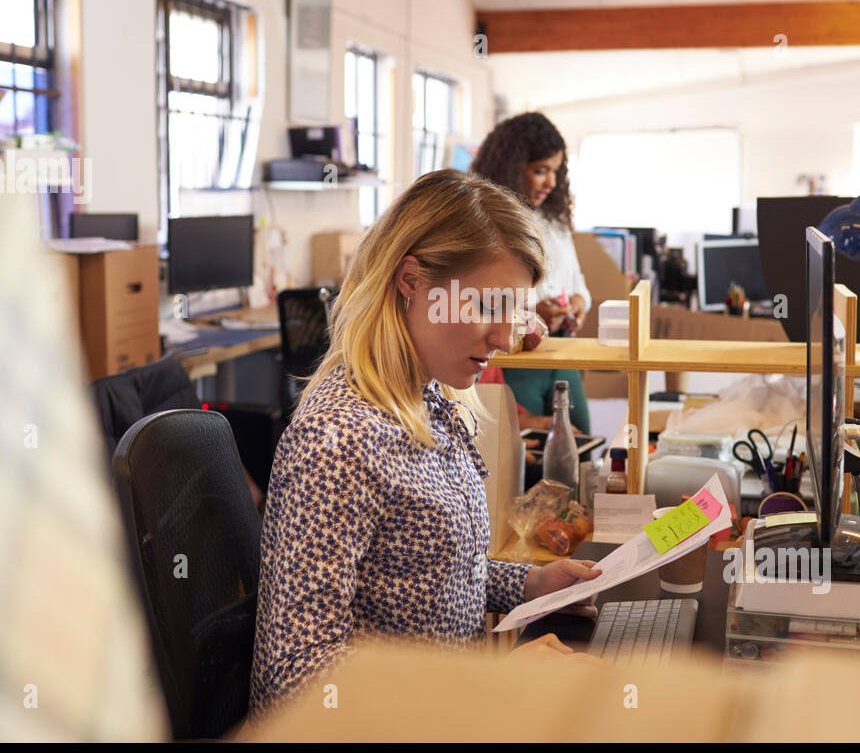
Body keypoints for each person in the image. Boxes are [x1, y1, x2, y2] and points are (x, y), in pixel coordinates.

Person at [249, 169, 602, 715]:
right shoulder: (339, 441)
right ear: (410, 282)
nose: (506, 337)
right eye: (487, 307)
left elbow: (429, 578)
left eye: (512, 311)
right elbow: (295, 678)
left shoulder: (427, 397)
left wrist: (532, 584)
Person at [471, 112, 592, 434]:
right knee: (528, 455)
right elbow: (476, 302)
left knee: (581, 445)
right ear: (511, 167)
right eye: (541, 171)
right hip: (514, 359)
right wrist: (529, 314)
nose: (551, 183)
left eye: (555, 171)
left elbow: (580, 285)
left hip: (561, 353)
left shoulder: (555, 221)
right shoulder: (484, 222)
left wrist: (578, 305)